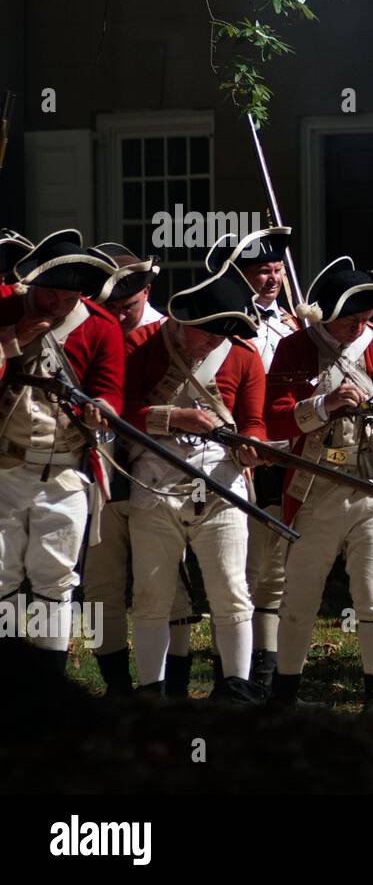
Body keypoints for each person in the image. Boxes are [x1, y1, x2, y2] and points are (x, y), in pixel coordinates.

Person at [265, 257, 373, 713]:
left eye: (366, 318)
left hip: (370, 483)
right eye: (353, 318)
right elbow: (275, 418)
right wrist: (325, 405)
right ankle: (284, 693)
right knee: (299, 598)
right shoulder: (294, 347)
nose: (360, 326)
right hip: (316, 484)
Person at [121, 260, 266, 701]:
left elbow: (255, 421)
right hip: (155, 480)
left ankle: (235, 690)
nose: (212, 343)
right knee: (151, 594)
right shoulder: (141, 344)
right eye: (206, 333)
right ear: (183, 323)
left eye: (220, 336)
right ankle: (152, 691)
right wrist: (172, 417)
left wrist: (251, 446)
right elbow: (118, 413)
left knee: (231, 591)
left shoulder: (242, 355)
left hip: (220, 481)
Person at [0, 230, 122, 684]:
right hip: (5, 463)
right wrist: (14, 337)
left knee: (55, 578)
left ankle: (49, 681)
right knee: (1, 572)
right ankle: (9, 676)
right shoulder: (10, 309)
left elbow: (110, 391)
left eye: (67, 295)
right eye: (49, 292)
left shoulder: (102, 325)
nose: (56, 303)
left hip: (66, 467)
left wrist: (101, 412)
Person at [82, 247, 196, 697]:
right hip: (104, 470)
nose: (116, 314)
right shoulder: (90, 329)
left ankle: (175, 687)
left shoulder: (173, 333)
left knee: (171, 584)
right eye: (109, 304)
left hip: (163, 473)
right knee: (101, 582)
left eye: (125, 305)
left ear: (146, 291)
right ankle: (116, 686)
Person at [207, 227, 301, 691]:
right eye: (262, 270)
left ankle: (265, 669)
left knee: (275, 564)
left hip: (280, 455)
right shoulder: (220, 324)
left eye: (278, 269)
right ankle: (232, 672)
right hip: (233, 452)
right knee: (235, 567)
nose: (273, 277)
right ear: (240, 275)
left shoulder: (292, 324)